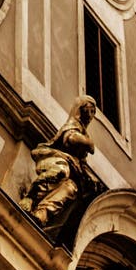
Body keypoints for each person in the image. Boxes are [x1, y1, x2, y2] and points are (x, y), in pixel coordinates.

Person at [20, 95, 100, 228]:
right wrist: (89, 143)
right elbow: (70, 138)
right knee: (62, 170)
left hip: (66, 168)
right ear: (80, 110)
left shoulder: (84, 133)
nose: (91, 115)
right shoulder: (73, 125)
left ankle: (41, 214)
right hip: (50, 159)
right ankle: (31, 196)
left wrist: (91, 180)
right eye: (88, 110)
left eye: (93, 112)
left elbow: (82, 164)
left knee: (71, 188)